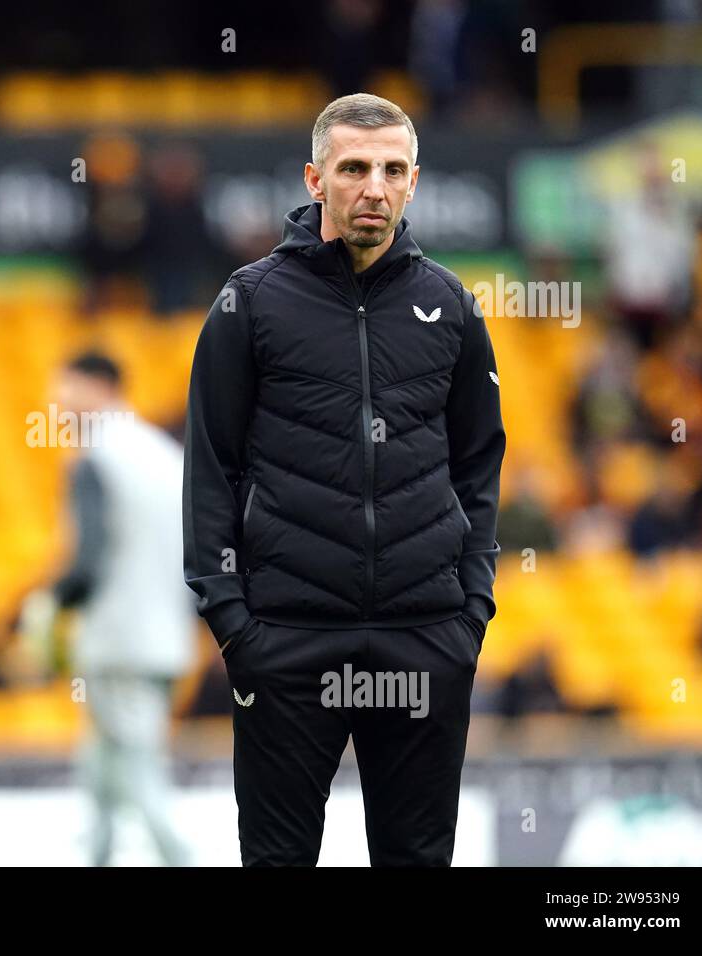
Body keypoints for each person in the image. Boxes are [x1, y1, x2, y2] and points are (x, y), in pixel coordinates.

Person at [183, 93, 505, 866]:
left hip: (424, 639)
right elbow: (211, 467)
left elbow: (480, 464)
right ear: (315, 178)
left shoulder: (451, 306)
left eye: (393, 170)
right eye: (355, 168)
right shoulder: (250, 302)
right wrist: (234, 623)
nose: (375, 187)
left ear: (415, 181)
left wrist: (470, 615)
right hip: (286, 641)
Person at [21, 351, 195, 866]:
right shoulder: (164, 453)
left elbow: (86, 561)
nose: (57, 403)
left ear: (98, 388)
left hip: (118, 643)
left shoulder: (95, 456)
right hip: (165, 638)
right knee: (100, 772)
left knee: (139, 773)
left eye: (66, 389)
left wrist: (46, 605)